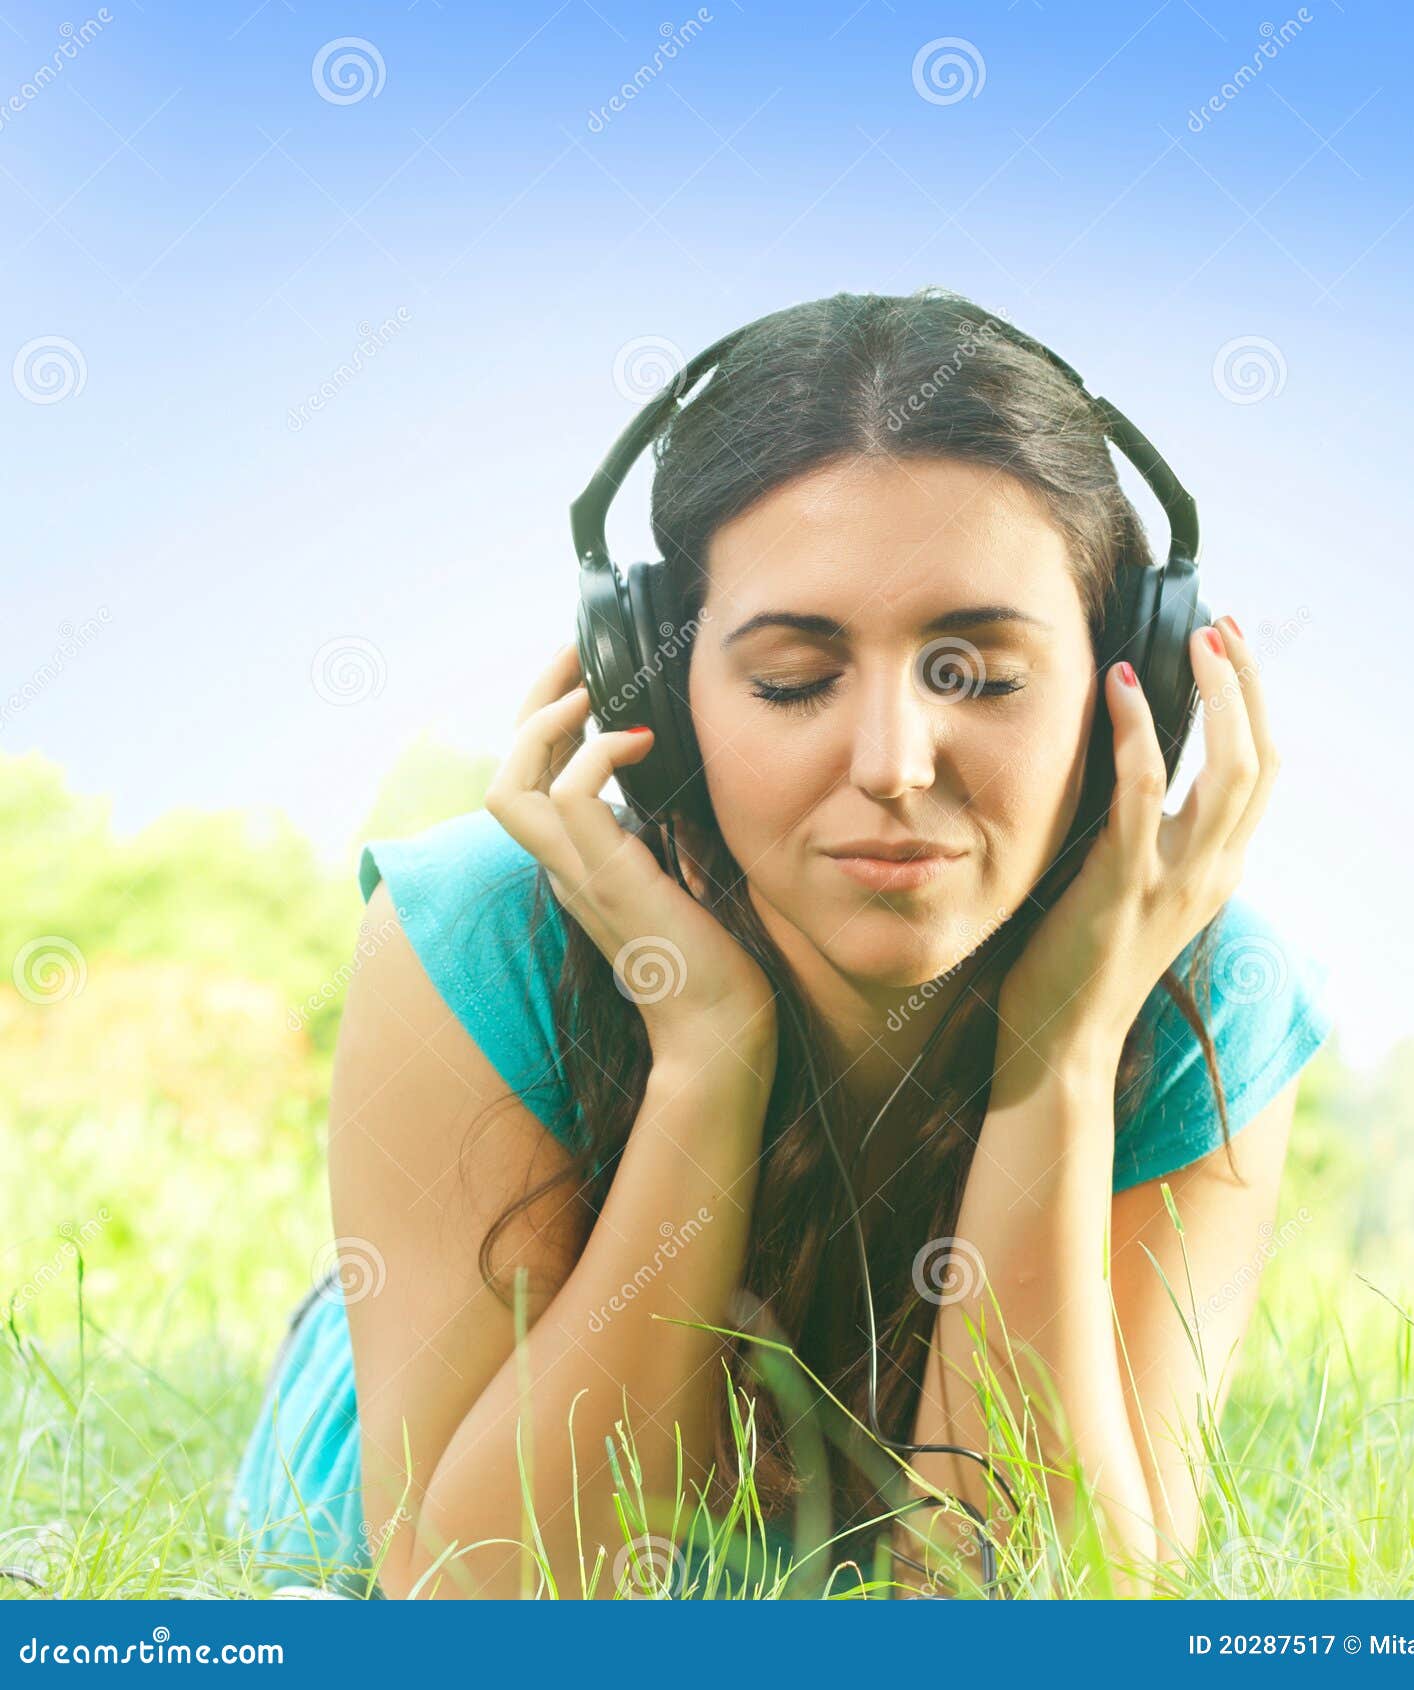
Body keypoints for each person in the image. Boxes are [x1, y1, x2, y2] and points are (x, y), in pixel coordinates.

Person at [227, 288, 1331, 1600]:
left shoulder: (1201, 977)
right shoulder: (477, 928)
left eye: (978, 671)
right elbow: (481, 1596)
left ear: (1123, 674)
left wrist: (1069, 1049)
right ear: (659, 688)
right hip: (455, 1399)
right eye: (795, 678)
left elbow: (1049, 1610)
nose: (893, 765)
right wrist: (705, 1048)